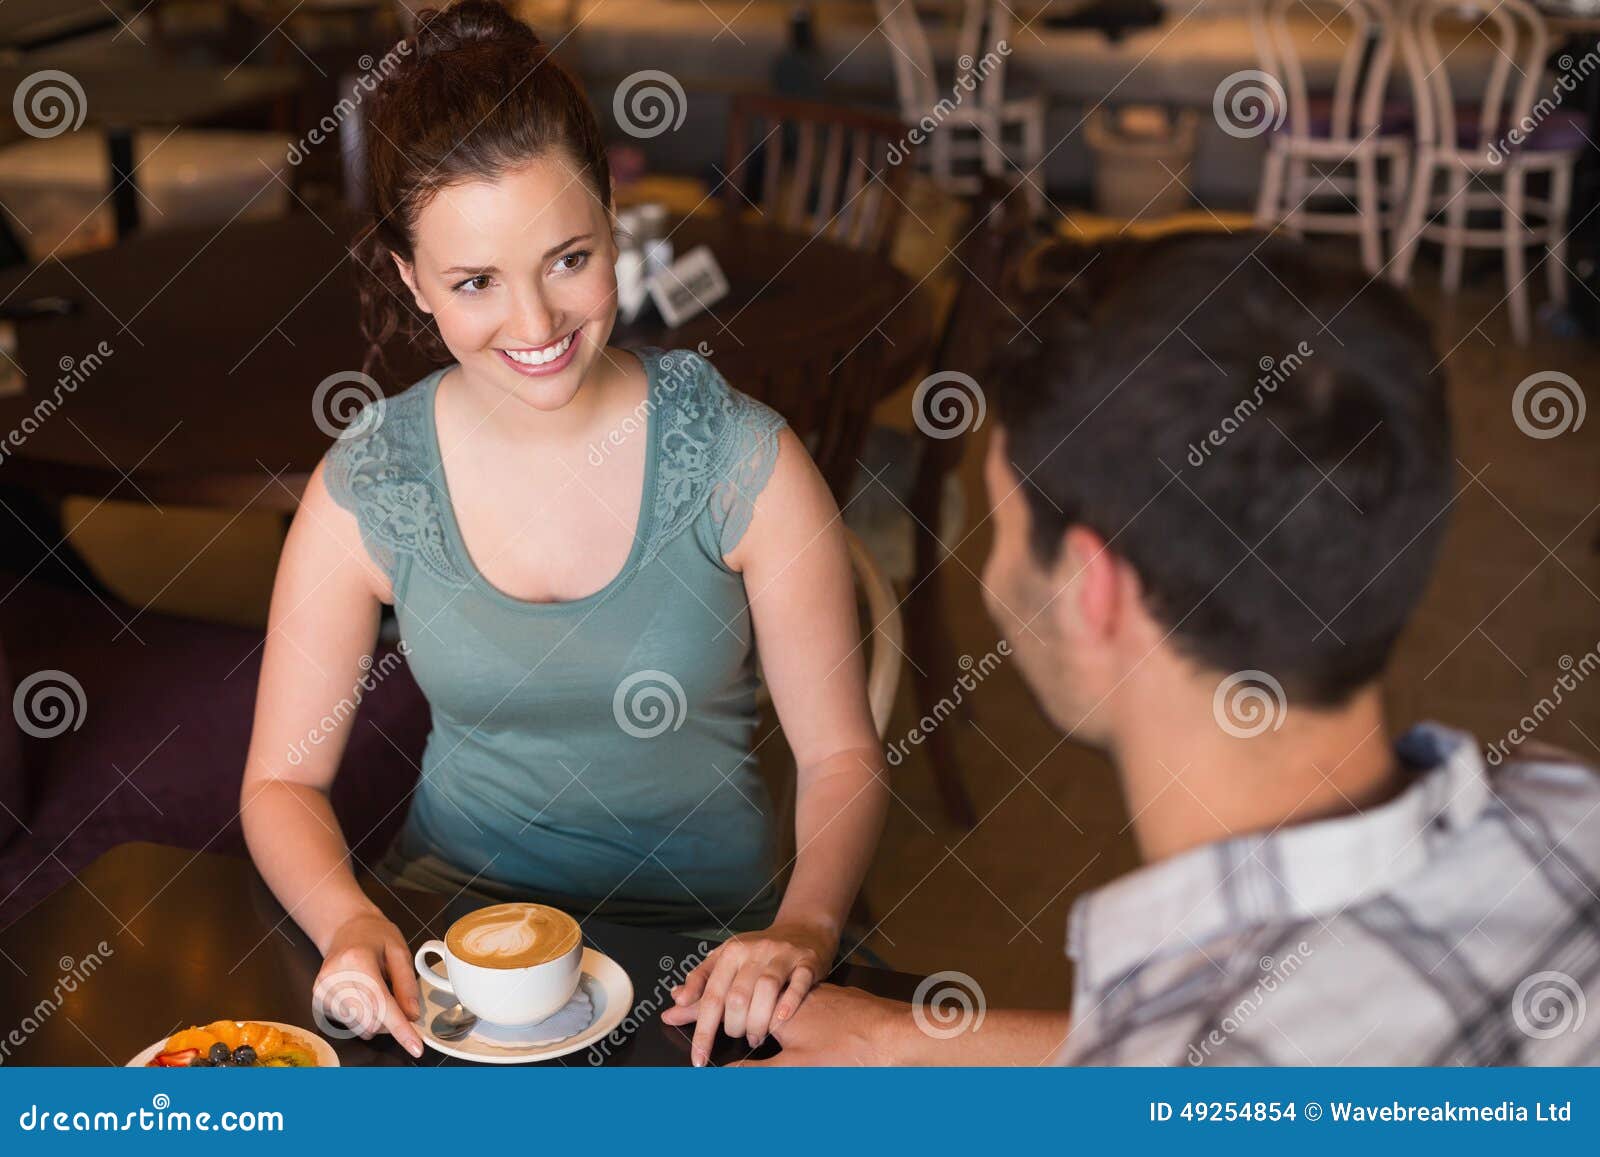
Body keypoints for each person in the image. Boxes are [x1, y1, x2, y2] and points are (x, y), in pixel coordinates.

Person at [711, 231, 1600, 1065]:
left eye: (1004, 527)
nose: (992, 578)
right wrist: (894, 1039)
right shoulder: (1568, 808)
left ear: (1091, 589)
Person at [238, 0, 886, 1066]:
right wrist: (350, 923)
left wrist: (803, 928)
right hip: (450, 943)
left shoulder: (740, 454)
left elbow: (842, 753)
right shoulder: (368, 481)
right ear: (412, 280)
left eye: (569, 258)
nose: (536, 326)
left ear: (613, 223)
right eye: (476, 282)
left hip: (708, 952)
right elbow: (281, 782)